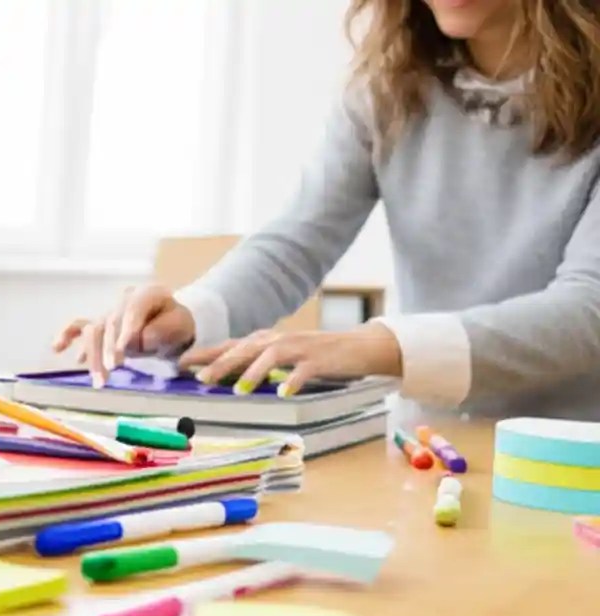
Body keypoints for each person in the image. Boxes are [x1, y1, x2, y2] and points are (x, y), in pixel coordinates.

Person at [55, 0, 600, 420]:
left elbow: (588, 309)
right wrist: (191, 312)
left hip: (574, 465)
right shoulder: (385, 87)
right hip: (431, 450)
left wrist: (376, 345)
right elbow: (297, 243)